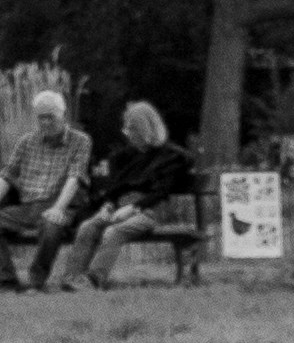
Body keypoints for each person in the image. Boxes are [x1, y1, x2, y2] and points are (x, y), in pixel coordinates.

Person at [50, 100, 198, 287]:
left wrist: (132, 209)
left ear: (145, 129)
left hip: (151, 210)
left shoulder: (172, 157)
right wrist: (108, 205)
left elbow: (161, 193)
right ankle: (71, 278)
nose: (128, 135)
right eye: (127, 129)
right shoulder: (129, 156)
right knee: (88, 226)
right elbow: (117, 188)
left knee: (114, 231)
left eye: (132, 130)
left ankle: (93, 280)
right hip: (121, 207)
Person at [0, 92, 89, 291]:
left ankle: (36, 281)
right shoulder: (26, 141)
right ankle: (5, 280)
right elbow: (6, 174)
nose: (45, 122)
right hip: (29, 207)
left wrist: (58, 208)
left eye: (51, 116)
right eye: (41, 117)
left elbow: (75, 178)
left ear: (63, 114)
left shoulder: (80, 141)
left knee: (52, 224)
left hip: (62, 205)